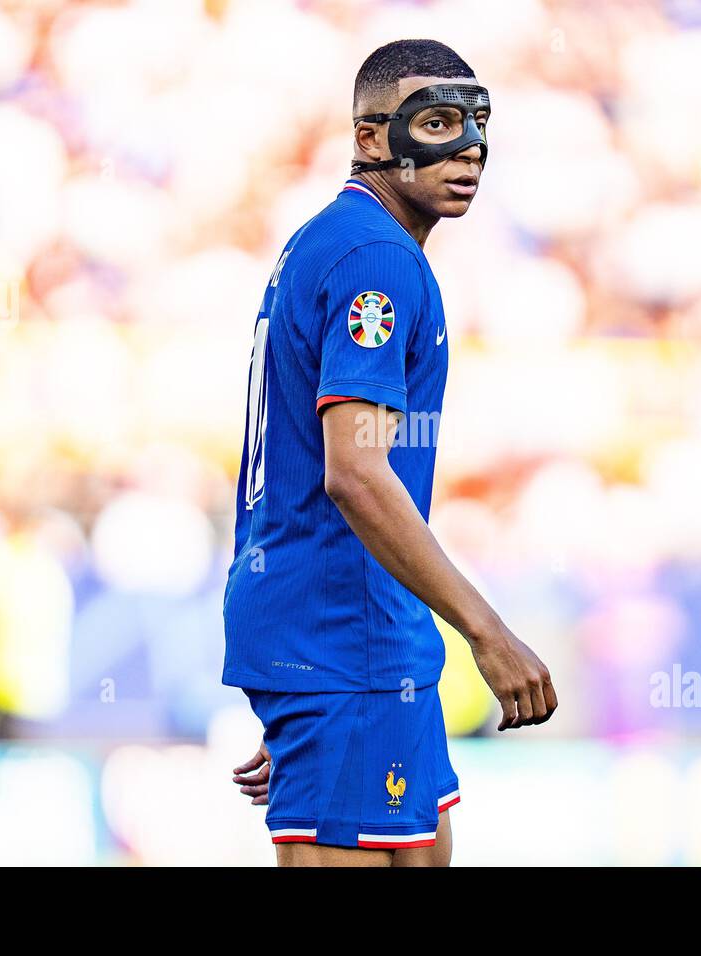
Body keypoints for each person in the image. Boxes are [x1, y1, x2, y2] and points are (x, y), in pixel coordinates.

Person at [222, 39, 557, 867]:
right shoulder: (374, 258)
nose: (469, 148)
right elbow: (356, 471)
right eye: (438, 123)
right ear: (371, 138)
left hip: (363, 649)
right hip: (345, 639)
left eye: (478, 125)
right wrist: (487, 632)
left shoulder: (335, 241)